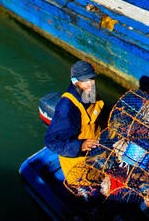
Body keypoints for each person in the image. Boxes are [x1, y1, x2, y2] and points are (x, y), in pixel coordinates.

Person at [45, 60, 105, 188]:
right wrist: (81, 145)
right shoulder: (67, 108)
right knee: (87, 193)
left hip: (96, 152)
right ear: (75, 81)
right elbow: (51, 142)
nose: (90, 84)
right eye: (85, 81)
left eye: (92, 79)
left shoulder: (90, 92)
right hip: (78, 164)